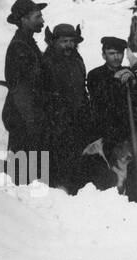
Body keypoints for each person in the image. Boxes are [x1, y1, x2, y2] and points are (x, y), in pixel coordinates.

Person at [41, 23, 101, 194]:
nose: (68, 45)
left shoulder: (77, 59)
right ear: (53, 42)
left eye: (71, 41)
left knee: (78, 161)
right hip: (57, 123)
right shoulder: (47, 62)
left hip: (78, 121)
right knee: (59, 164)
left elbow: (81, 89)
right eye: (64, 41)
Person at [86, 36, 137, 196]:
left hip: (128, 133)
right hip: (106, 134)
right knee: (109, 177)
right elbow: (101, 100)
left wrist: (133, 83)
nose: (116, 57)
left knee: (133, 175)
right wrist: (115, 82)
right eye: (111, 53)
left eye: (119, 53)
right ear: (103, 55)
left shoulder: (129, 73)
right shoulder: (95, 75)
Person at [1, 0, 48, 184]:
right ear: (23, 20)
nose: (42, 21)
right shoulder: (20, 47)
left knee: (32, 171)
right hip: (24, 118)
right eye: (37, 17)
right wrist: (34, 122)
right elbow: (22, 89)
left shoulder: (28, 43)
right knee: (24, 176)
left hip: (29, 117)